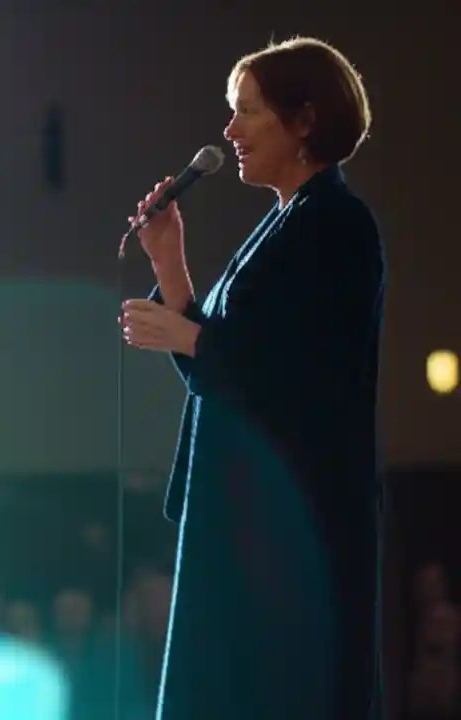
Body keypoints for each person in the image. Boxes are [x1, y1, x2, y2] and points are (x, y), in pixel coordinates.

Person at [119, 37, 384, 718]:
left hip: (291, 528)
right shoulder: (284, 224)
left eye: (248, 113)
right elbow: (229, 370)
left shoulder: (338, 225)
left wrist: (189, 336)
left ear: (304, 121)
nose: (230, 132)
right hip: (247, 514)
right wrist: (171, 265)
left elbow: (302, 382)